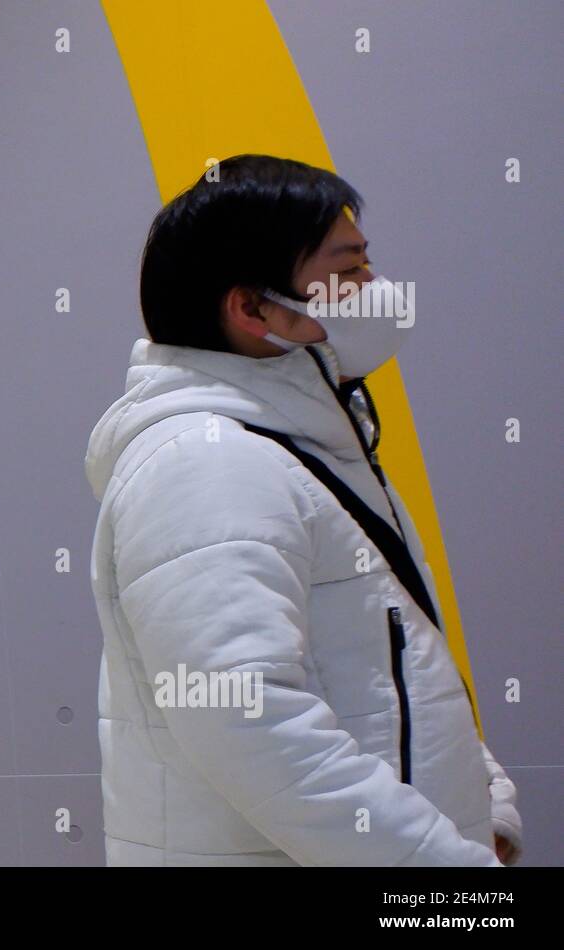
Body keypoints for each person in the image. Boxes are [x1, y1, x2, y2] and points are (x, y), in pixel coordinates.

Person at [84, 154, 523, 866]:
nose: (376, 291)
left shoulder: (298, 444)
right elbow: (253, 727)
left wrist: (484, 809)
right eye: (348, 272)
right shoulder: (208, 464)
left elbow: (396, 663)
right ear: (253, 308)